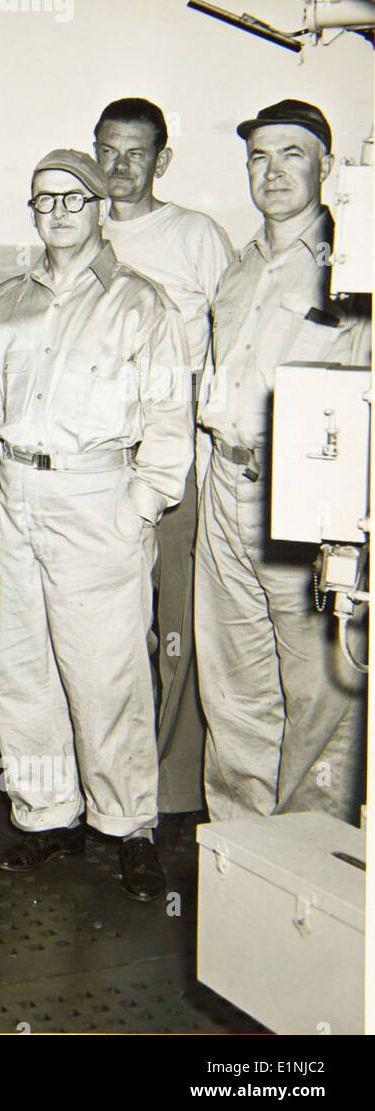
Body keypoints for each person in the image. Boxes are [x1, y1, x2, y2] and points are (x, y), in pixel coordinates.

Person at [0, 149, 190, 902]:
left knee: (107, 675)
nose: (59, 210)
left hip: (95, 498)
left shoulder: (140, 302)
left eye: (74, 197)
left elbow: (169, 414)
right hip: (18, 496)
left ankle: (129, 824)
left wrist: (141, 503)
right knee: (24, 671)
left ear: (100, 207)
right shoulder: (11, 303)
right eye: (44, 199)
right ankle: (46, 816)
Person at [196, 100, 370, 825]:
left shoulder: (352, 264)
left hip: (306, 499)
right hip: (224, 484)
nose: (272, 172)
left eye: (291, 155)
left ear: (326, 167)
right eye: (259, 157)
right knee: (234, 689)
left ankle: (305, 871)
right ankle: (240, 857)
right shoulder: (241, 266)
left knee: (319, 694)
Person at [92, 97, 234, 828]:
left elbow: (236, 338)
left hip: (175, 461)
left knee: (177, 629)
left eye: (136, 152)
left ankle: (172, 795)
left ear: (162, 160)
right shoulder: (78, 232)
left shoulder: (196, 237)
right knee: (108, 631)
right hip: (97, 467)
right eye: (108, 150)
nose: (120, 167)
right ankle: (108, 794)